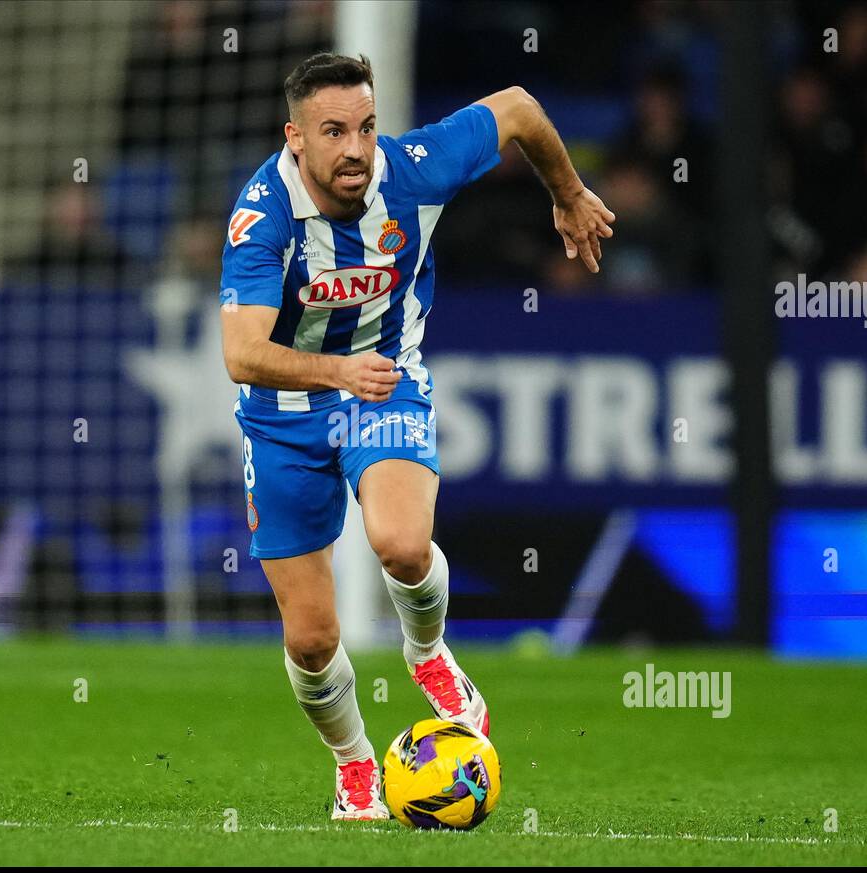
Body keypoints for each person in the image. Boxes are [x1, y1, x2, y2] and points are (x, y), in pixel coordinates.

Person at [218, 52, 615, 820]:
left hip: (385, 385)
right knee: (309, 638)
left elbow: (523, 107)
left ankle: (429, 655)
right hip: (284, 414)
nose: (357, 149)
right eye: (334, 132)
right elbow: (241, 354)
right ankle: (356, 764)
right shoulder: (262, 217)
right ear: (295, 138)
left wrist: (567, 194)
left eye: (366, 126)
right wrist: (334, 371)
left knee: (401, 543)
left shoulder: (415, 168)